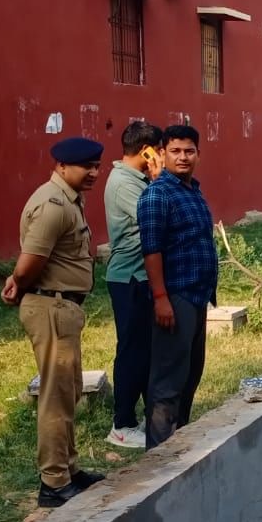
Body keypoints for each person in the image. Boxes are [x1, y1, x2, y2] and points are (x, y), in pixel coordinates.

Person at [3, 137, 104, 506]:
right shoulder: (53, 205)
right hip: (51, 307)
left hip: (62, 308)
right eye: (85, 166)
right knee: (55, 398)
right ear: (62, 166)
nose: (94, 173)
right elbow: (30, 262)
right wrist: (18, 281)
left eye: (96, 165)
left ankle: (69, 469)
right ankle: (54, 482)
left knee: (68, 390)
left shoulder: (69, 201)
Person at [138, 124, 219, 446]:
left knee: (189, 377)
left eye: (189, 151)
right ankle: (157, 460)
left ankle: (179, 446)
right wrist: (160, 297)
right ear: (161, 154)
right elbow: (152, 250)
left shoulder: (191, 190)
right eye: (175, 151)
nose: (183, 157)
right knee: (167, 383)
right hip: (175, 297)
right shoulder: (157, 195)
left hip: (199, 296)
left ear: (198, 154)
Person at [102, 121, 163, 450]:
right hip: (128, 278)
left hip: (141, 277)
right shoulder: (125, 183)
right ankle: (121, 424)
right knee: (130, 352)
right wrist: (160, 179)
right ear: (147, 151)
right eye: (161, 150)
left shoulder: (137, 180)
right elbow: (156, 215)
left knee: (145, 350)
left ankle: (139, 415)